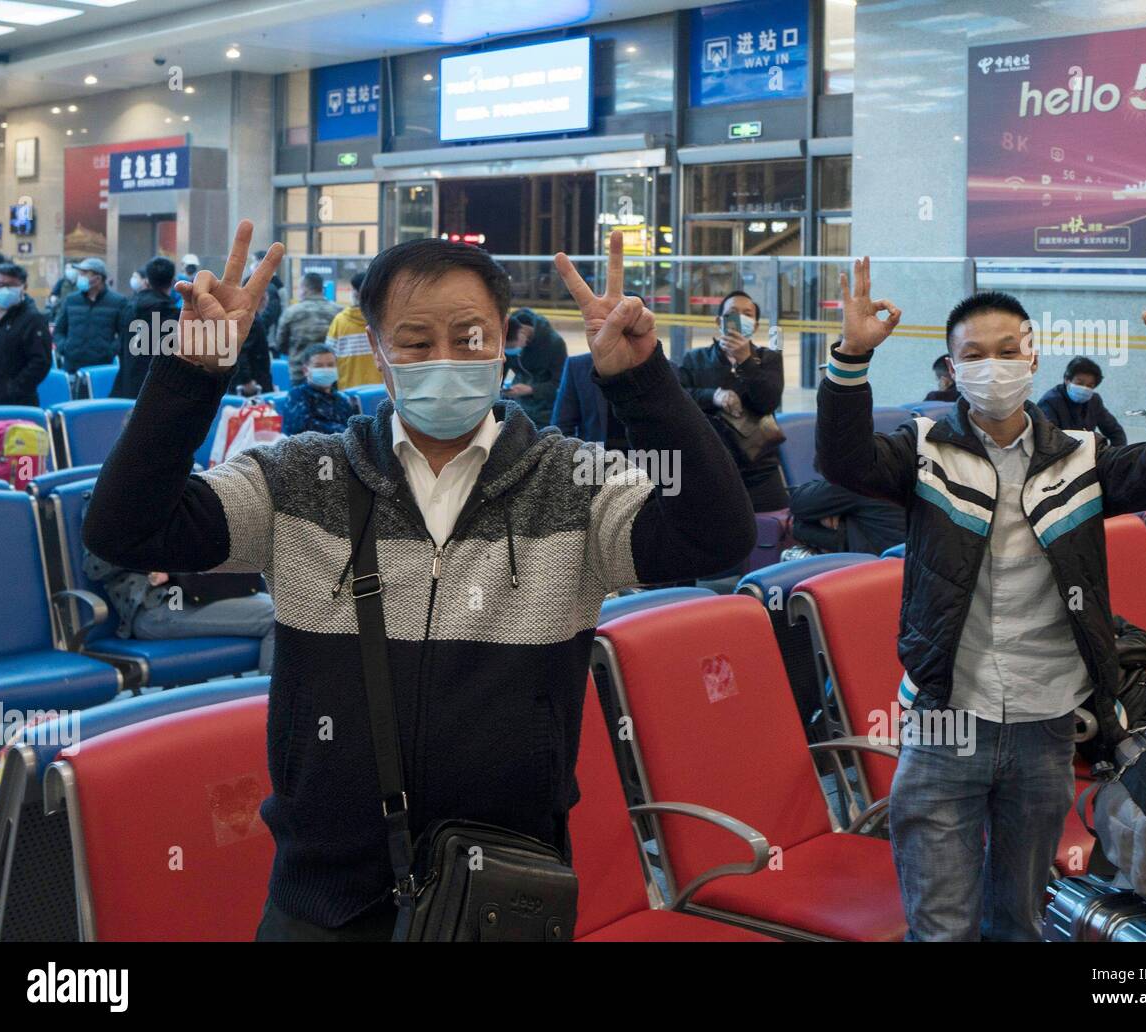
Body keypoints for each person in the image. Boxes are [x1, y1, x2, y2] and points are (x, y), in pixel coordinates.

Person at [82, 223, 753, 941]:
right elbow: (125, 528)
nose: (445, 360)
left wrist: (641, 383)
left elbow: (715, 537)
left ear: (504, 342)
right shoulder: (301, 480)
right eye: (414, 342)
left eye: (469, 337)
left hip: (502, 893)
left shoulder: (571, 484)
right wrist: (192, 375)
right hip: (324, 896)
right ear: (376, 349)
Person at [818, 257, 1146, 942]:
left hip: (1047, 719)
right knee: (941, 927)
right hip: (946, 718)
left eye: (1009, 351)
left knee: (1022, 923)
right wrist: (852, 357)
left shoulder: (1082, 457)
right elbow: (843, 460)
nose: (994, 366)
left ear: (1034, 354)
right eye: (974, 355)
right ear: (950, 369)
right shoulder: (922, 451)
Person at [677, 289, 788, 512]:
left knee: (772, 531)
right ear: (719, 321)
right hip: (710, 467)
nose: (740, 318)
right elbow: (680, 400)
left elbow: (768, 401)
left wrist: (745, 360)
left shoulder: (769, 359)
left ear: (755, 325)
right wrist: (713, 396)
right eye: (732, 313)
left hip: (760, 469)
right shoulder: (695, 359)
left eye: (747, 314)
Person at [82, 549, 275, 673]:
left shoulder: (186, 491)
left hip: (211, 590)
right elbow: (94, 567)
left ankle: (282, 713)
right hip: (161, 603)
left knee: (290, 610)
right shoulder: (111, 501)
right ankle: (271, 715)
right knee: (278, 618)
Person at [0, 262, 51, 406]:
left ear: (24, 287)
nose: (4, 290)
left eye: (11, 286)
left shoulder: (33, 318)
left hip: (15, 402)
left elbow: (41, 362)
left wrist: (13, 389)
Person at [113, 257, 180, 399]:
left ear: (147, 281)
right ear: (173, 281)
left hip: (127, 386)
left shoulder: (129, 308)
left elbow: (120, 348)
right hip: (159, 392)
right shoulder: (174, 315)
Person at [787, 477, 905, 556]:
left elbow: (799, 504)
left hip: (876, 566)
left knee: (800, 525)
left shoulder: (862, 477)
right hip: (903, 562)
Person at [53, 256, 127, 375]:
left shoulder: (118, 302)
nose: (79, 278)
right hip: (72, 365)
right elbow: (59, 330)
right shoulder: (71, 300)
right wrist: (64, 348)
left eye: (83, 274)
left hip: (101, 367)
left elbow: (125, 334)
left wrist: (110, 351)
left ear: (97, 279)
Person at [1037, 356, 1128, 446]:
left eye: (1090, 385)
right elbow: (1049, 441)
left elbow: (1116, 433)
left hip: (1086, 454)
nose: (1084, 388)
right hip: (1060, 456)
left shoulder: (1094, 401)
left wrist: (1114, 458)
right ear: (1067, 380)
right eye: (1079, 383)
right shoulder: (1049, 402)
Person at [503, 307, 567, 427]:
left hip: (545, 411)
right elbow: (501, 372)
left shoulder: (554, 344)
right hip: (518, 406)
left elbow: (561, 385)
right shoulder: (509, 332)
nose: (510, 353)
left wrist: (531, 390)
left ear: (522, 333)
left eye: (512, 348)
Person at [553, 351, 628, 452]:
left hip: (646, 459)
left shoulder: (653, 365)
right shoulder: (578, 366)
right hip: (593, 459)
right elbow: (561, 428)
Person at [277, 272, 340, 385]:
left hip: (299, 371)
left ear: (304, 289)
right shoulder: (338, 311)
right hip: (329, 373)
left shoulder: (291, 312)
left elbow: (281, 344)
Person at [280, 342, 356, 435]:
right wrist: (342, 433)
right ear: (305, 370)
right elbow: (302, 429)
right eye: (318, 366)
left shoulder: (341, 399)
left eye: (330, 365)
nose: (326, 369)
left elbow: (352, 428)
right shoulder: (297, 396)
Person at [325, 272, 379, 387]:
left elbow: (328, 356)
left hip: (349, 391)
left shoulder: (340, 322)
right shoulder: (383, 321)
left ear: (356, 294)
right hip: (381, 391)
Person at [227, 289, 274, 396]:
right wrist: (246, 380)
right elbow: (240, 352)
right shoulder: (250, 320)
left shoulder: (243, 316)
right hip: (251, 386)